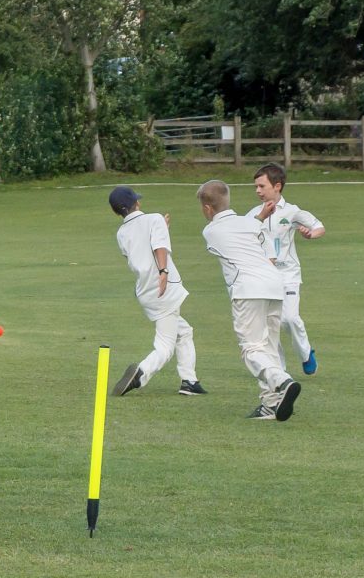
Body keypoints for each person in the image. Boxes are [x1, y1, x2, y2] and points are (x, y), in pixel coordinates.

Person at [200, 179, 301, 421]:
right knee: (270, 346)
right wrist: (257, 220)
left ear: (207, 209)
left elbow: (230, 239)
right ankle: (271, 404)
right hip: (275, 284)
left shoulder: (210, 231)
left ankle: (281, 381)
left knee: (251, 348)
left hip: (248, 289)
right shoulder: (252, 224)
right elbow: (258, 242)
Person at [107, 186, 204, 397]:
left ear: (117, 212)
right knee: (165, 346)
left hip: (144, 291)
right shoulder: (154, 219)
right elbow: (159, 246)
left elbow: (136, 254)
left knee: (184, 331)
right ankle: (141, 373)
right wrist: (163, 270)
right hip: (163, 288)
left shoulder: (121, 232)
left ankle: (190, 381)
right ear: (137, 203)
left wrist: (162, 230)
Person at [251, 163, 326, 375]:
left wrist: (311, 235)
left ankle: (305, 353)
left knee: (289, 318)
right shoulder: (253, 214)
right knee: (269, 325)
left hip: (289, 274)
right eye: (255, 187)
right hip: (264, 277)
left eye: (261, 186)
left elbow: (319, 226)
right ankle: (279, 369)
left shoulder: (292, 211)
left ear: (277, 186)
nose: (257, 191)